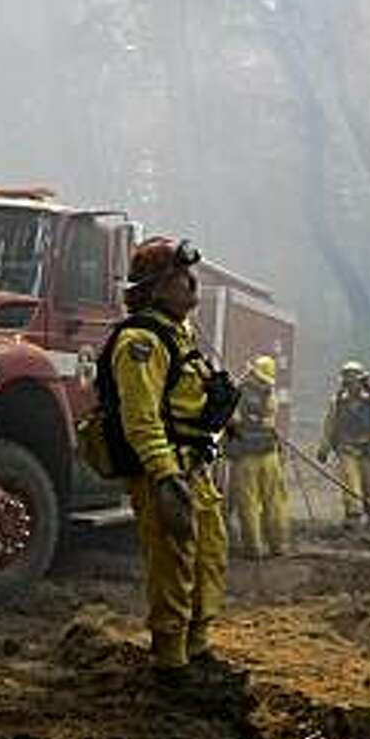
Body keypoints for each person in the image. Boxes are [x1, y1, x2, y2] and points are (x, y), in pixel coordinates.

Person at [108, 236, 234, 675]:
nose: (192, 285)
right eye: (181, 277)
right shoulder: (141, 342)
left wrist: (218, 412)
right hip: (166, 473)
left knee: (208, 556)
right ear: (157, 287)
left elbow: (184, 400)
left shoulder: (180, 336)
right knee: (173, 564)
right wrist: (164, 476)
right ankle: (171, 661)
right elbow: (140, 418)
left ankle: (198, 647)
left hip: (194, 468)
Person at [225, 354, 290, 559]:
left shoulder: (238, 393)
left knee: (249, 502)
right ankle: (278, 545)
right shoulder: (270, 394)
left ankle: (253, 548)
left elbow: (231, 420)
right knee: (274, 501)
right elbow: (269, 422)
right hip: (269, 454)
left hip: (246, 457)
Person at [317, 360, 370, 528]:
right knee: (350, 483)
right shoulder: (337, 401)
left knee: (369, 483)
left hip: (367, 449)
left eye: (354, 381)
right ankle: (353, 515)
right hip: (346, 449)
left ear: (362, 381)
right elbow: (329, 425)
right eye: (348, 381)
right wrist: (324, 448)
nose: (351, 385)